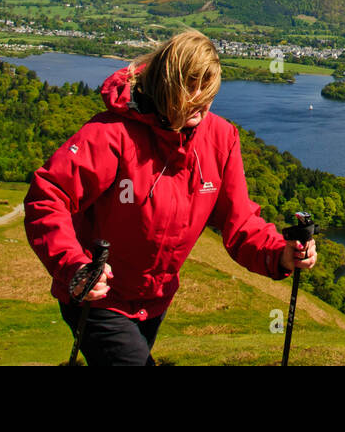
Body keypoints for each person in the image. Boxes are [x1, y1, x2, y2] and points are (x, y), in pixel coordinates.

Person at [23, 29, 317, 365]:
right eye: (190, 91)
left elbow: (241, 222)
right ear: (166, 84)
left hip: (155, 302)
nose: (201, 105)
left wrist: (280, 254)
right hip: (96, 297)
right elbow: (48, 196)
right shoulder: (110, 135)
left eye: (207, 92)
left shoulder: (221, 139)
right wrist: (73, 266)